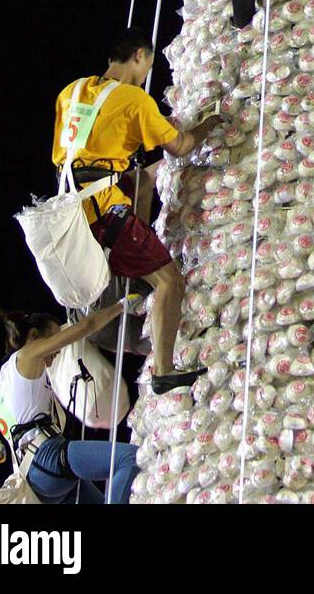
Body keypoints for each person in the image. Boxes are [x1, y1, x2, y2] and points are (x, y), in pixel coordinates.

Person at [52, 27, 221, 394]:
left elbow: (86, 150)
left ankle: (140, 244)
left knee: (144, 179)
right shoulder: (134, 100)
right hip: (103, 210)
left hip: (71, 201)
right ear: (140, 57)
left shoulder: (72, 92)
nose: (147, 75)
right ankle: (163, 370)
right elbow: (181, 146)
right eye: (148, 66)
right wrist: (207, 126)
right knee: (169, 282)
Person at [0, 303, 139, 504]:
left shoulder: (3, 391)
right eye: (55, 341)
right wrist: (120, 307)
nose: (58, 350)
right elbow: (86, 325)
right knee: (131, 459)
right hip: (47, 457)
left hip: (37, 481)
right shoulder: (27, 353)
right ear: (34, 336)